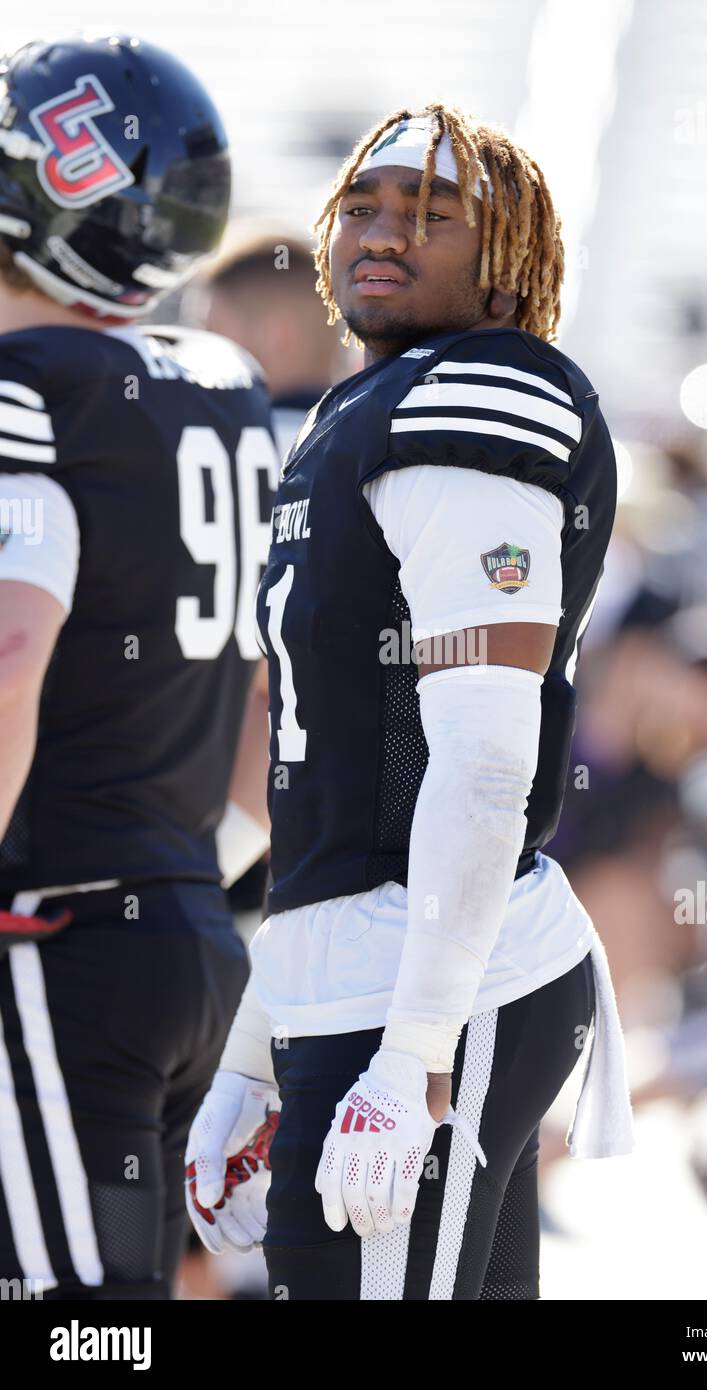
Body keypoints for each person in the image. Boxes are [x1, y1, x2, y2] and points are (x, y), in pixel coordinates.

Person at [186, 104, 634, 1301]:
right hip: (373, 967)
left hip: (435, 985)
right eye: (367, 208)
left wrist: (413, 1056)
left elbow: (486, 762)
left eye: (434, 216)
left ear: (510, 258)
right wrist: (255, 1047)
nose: (385, 235)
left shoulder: (472, 398)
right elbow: (323, 774)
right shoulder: (362, 407)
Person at [0, 34, 278, 1299]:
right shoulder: (227, 388)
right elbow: (275, 693)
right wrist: (179, 873)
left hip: (54, 932)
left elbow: (13, 649)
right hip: (191, 928)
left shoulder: (30, 389)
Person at [189, 227, 349, 456]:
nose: (197, 352)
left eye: (211, 331)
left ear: (278, 337)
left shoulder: (220, 451)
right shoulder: (376, 444)